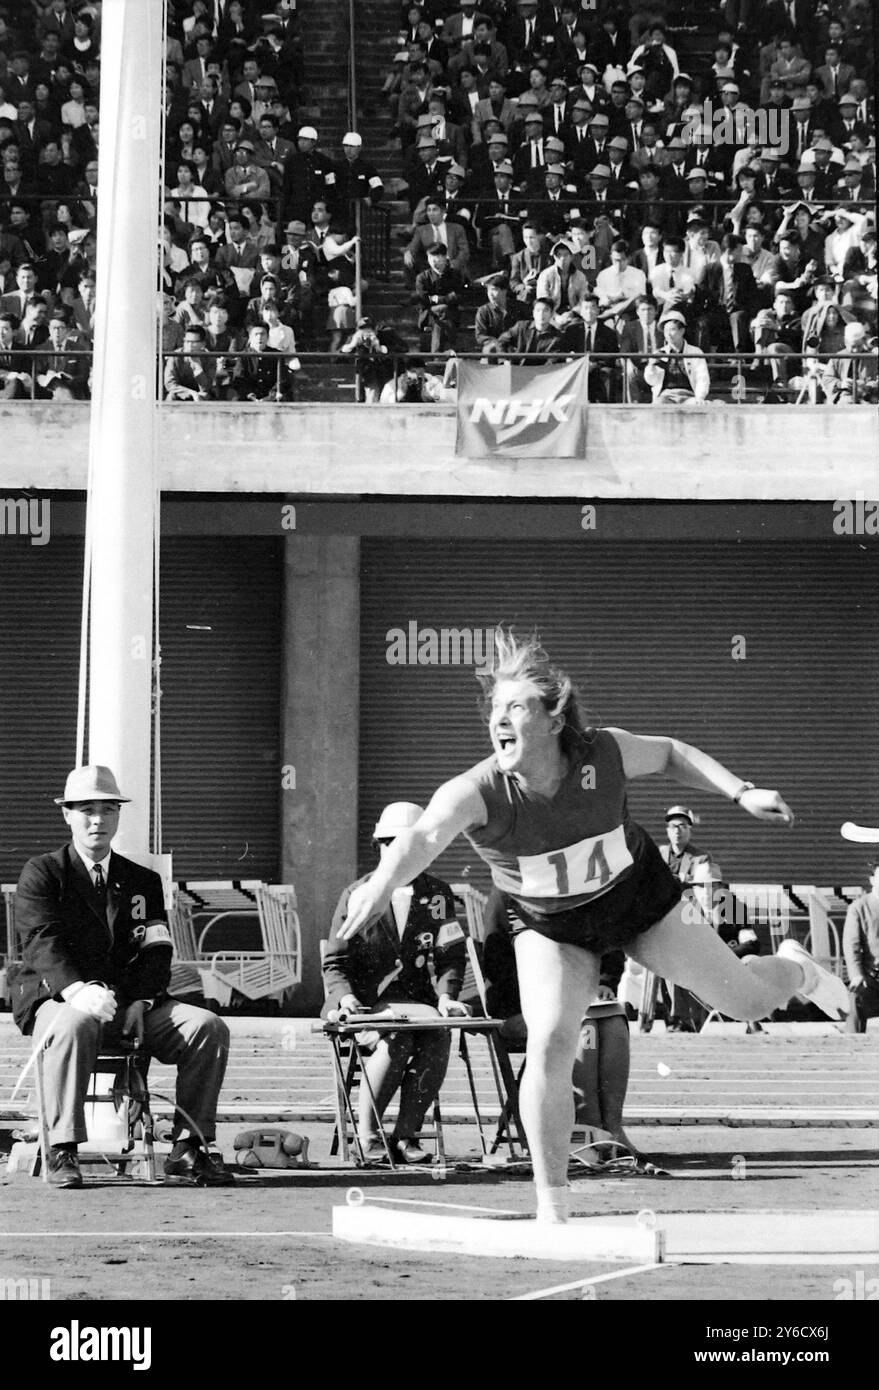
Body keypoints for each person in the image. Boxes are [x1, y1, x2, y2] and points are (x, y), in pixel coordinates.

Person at [336, 629, 848, 1223]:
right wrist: (378, 886)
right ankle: (552, 1205)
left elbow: (671, 752)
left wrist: (742, 791)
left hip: (640, 902)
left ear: (554, 719)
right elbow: (422, 838)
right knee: (552, 1040)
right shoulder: (477, 791)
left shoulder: (601, 753)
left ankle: (796, 967)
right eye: (494, 710)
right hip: (553, 929)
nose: (499, 720)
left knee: (747, 1003)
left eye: (516, 707)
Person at [13, 766, 233, 1188]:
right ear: (67, 815)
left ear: (118, 816)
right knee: (75, 1022)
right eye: (87, 810)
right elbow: (42, 942)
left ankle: (190, 1148)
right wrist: (79, 991)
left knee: (207, 1027)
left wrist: (140, 1001)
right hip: (61, 1001)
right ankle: (61, 1149)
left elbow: (156, 949)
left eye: (108, 810)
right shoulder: (43, 872)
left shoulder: (143, 881)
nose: (98, 820)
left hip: (129, 1003)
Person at [322, 801, 469, 1164]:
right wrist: (345, 999)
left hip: (416, 1005)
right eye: (390, 844)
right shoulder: (358, 894)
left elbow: (451, 956)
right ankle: (367, 1137)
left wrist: (447, 996)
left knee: (438, 1031)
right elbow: (335, 962)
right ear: (380, 847)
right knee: (399, 1034)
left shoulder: (438, 895)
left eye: (409, 846)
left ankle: (407, 1135)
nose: (398, 853)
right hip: (365, 1006)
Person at [482, 888, 650, 1167]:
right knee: (582, 1024)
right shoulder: (507, 889)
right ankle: (590, 1129)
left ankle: (614, 1128)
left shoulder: (580, 883)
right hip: (521, 1008)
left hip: (580, 1000)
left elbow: (611, 942)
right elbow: (494, 959)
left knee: (614, 1017)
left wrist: (605, 982)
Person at [842, 858, 879, 1034]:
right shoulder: (859, 908)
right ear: (872, 879)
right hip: (872, 978)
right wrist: (856, 975)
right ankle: (852, 1044)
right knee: (856, 996)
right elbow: (852, 945)